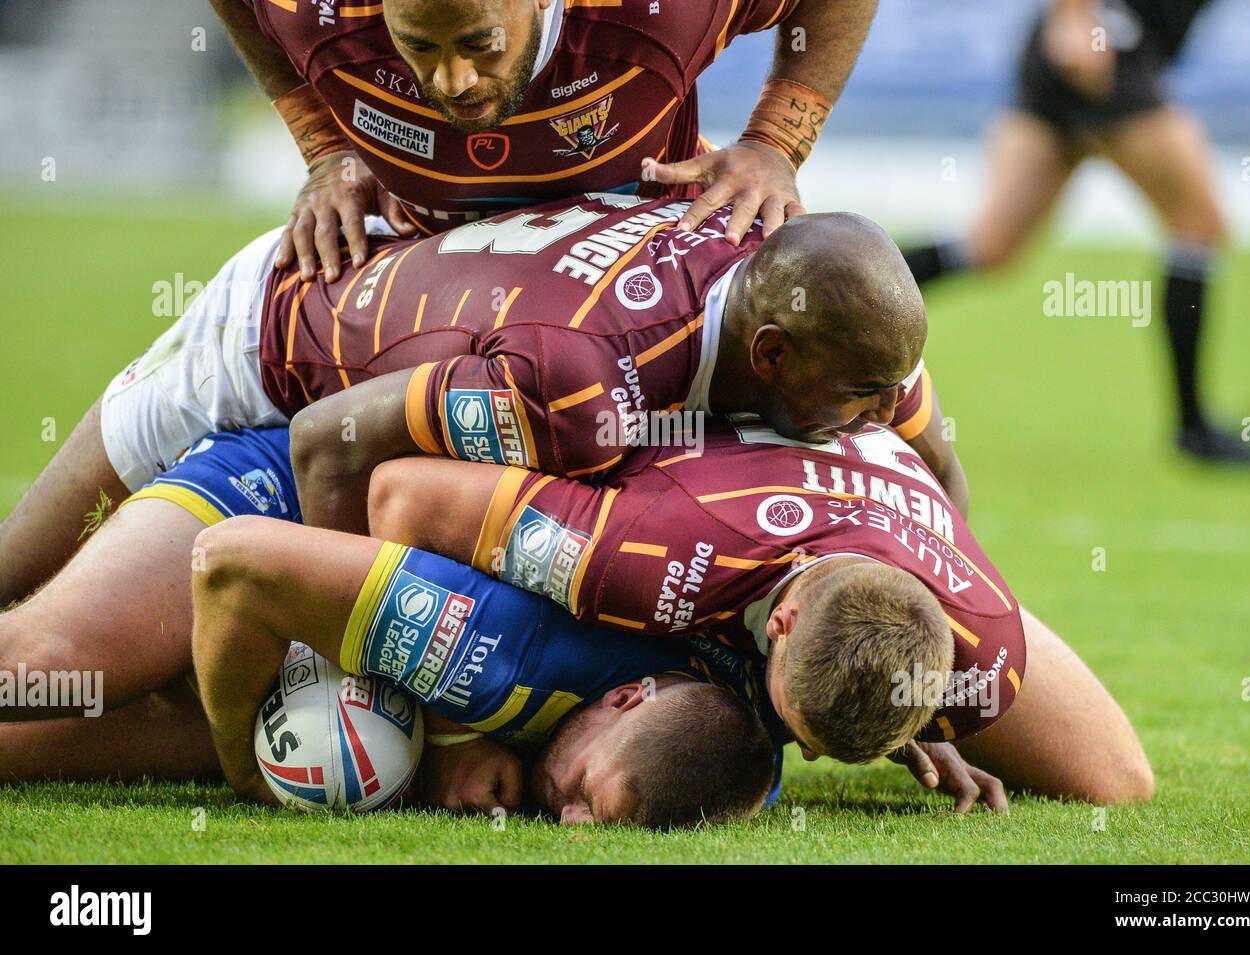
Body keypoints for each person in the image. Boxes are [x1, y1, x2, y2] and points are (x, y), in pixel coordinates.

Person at [0, 195, 963, 606]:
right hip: (279, 328)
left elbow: (937, 483)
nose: (881, 417)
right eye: (865, 397)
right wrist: (347, 666)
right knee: (27, 581)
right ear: (770, 354)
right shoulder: (588, 384)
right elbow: (329, 441)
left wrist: (926, 679)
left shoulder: (835, 317)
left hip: (448, 326)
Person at [0, 426, 1003, 820]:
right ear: (622, 694)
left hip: (353, 598)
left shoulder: (743, 740)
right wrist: (446, 722)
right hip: (280, 494)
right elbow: (238, 565)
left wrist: (908, 723)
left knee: (74, 737)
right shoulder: (498, 653)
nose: (557, 819)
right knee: (38, 668)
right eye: (576, 797)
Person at [363, 413, 1154, 802]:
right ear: (779, 621)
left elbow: (914, 399)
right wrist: (449, 737)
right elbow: (402, 491)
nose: (798, 757)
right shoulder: (650, 553)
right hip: (686, 439)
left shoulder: (984, 650)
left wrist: (918, 709)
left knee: (1117, 783)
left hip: (875, 447)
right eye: (801, 731)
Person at [209, 0, 878, 277]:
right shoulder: (320, 10)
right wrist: (325, 150)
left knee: (879, 361)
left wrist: (774, 144)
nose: (455, 79)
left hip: (647, 277)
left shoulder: (659, 10)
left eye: (479, 42)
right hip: (414, 273)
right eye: (417, 45)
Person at [903, 0, 1250, 464]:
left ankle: (828, 303)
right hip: (1106, 46)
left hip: (1081, 56)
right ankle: (1193, 428)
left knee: (990, 247)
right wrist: (1074, 17)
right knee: (1199, 227)